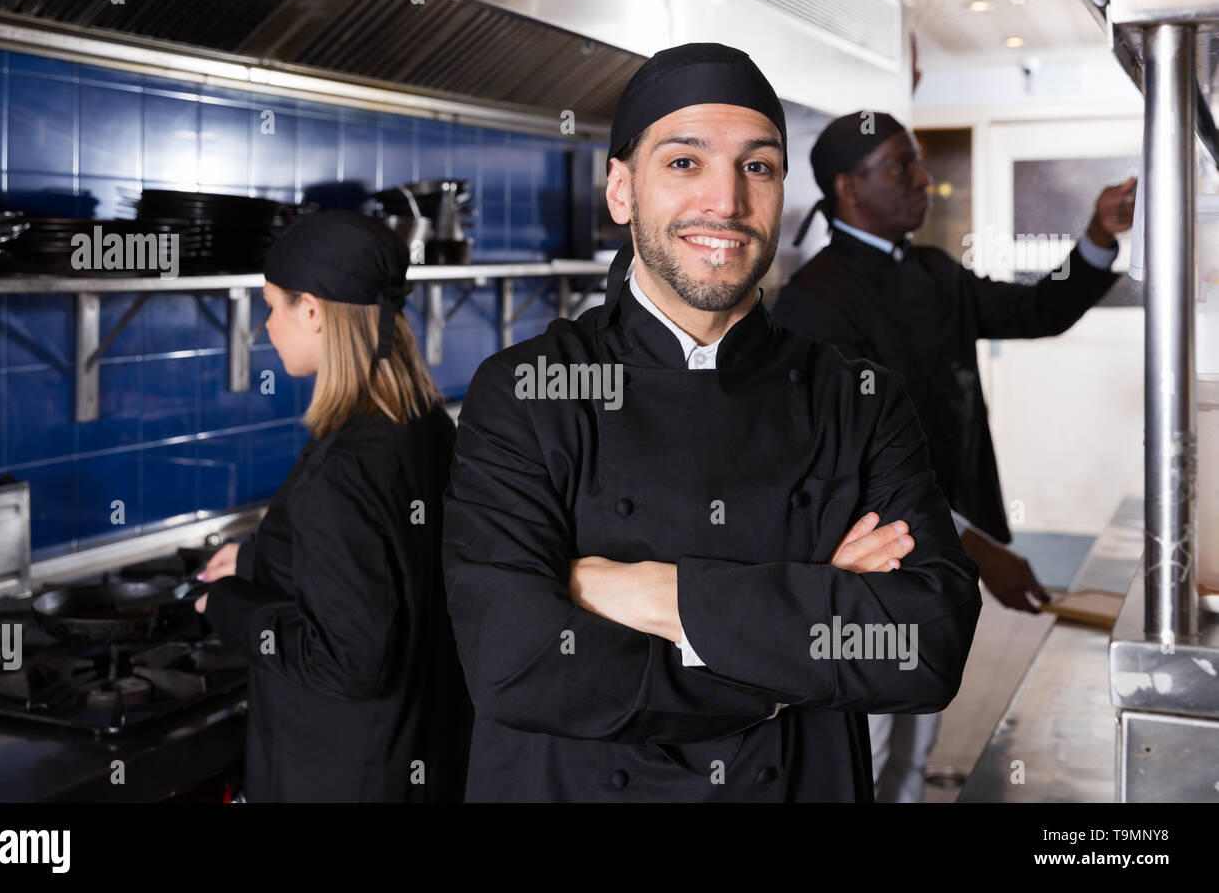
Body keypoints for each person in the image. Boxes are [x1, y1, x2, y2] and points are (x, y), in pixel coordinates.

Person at [442, 43, 982, 802]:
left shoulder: (857, 396)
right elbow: (516, 662)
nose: (725, 202)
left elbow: (926, 643)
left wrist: (639, 593)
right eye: (685, 163)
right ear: (622, 191)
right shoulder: (525, 390)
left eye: (756, 166)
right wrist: (798, 643)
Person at [776, 111, 1133, 802]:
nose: (922, 179)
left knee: (918, 738)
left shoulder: (933, 270)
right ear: (848, 188)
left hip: (941, 554)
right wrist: (974, 546)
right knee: (867, 746)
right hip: (871, 567)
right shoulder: (815, 302)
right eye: (900, 167)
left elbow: (1037, 311)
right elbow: (851, 467)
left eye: (917, 162)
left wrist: (1097, 235)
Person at [196, 210, 471, 802]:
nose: (266, 326)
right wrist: (256, 563)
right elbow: (386, 571)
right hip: (424, 755)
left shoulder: (342, 468)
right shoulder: (423, 427)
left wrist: (229, 607)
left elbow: (347, 662)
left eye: (273, 306)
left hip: (348, 777)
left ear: (314, 312)